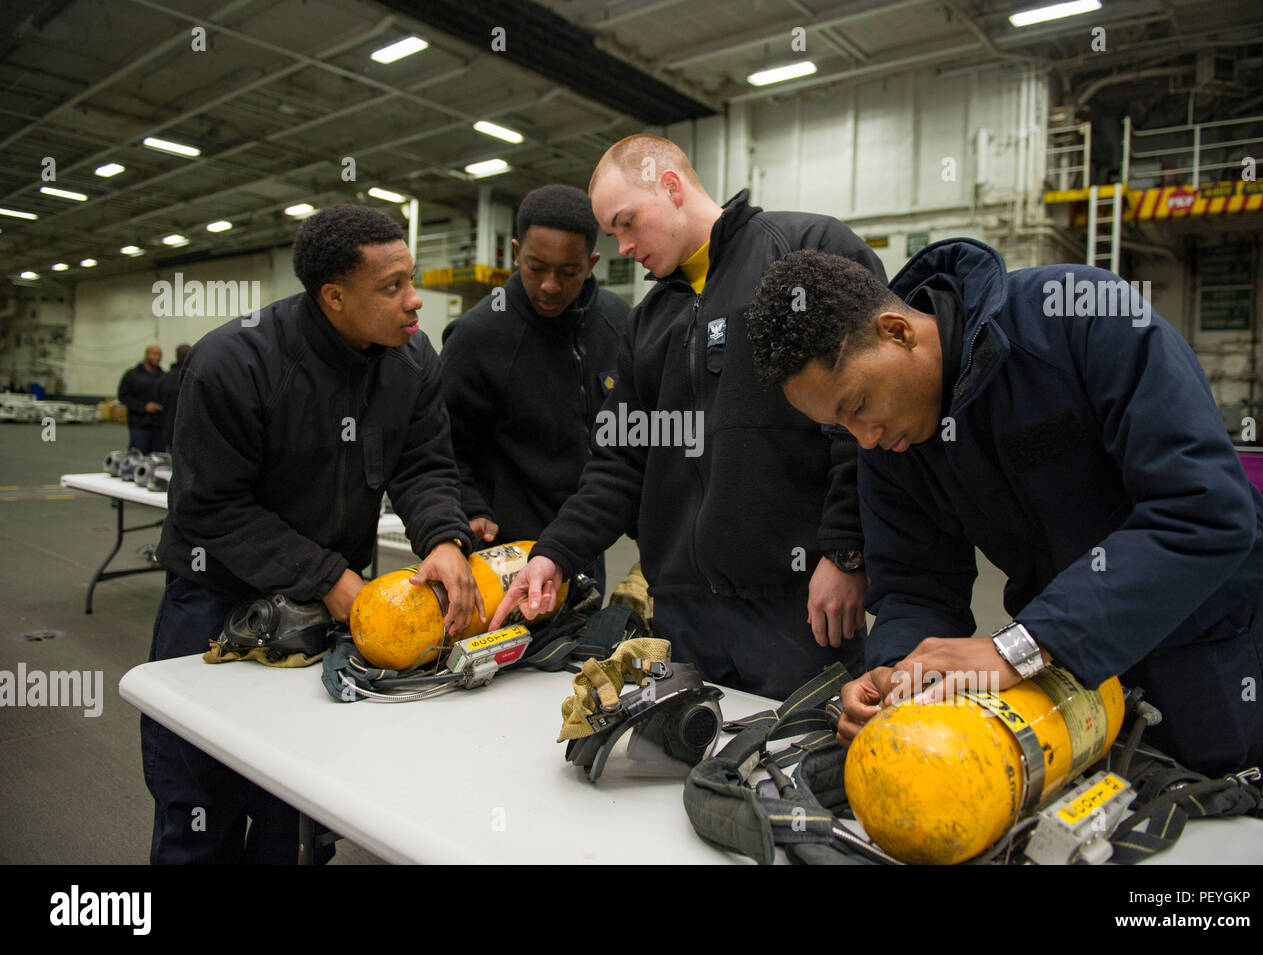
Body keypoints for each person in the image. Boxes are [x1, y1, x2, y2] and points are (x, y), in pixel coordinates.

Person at [745, 242, 1263, 777]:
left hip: (1198, 624)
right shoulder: (890, 442)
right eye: (843, 427)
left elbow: (1204, 510)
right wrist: (899, 675)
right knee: (1091, 802)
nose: (864, 439)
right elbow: (915, 584)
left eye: (859, 405)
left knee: (1206, 798)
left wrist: (1022, 646)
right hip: (1056, 639)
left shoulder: (1079, 314)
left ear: (897, 331)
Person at [143, 204, 481, 864]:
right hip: (220, 608)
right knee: (199, 812)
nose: (415, 303)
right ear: (333, 296)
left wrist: (442, 536)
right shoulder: (232, 364)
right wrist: (327, 576)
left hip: (330, 616)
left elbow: (422, 464)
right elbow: (209, 509)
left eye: (411, 278)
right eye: (392, 287)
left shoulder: (411, 357)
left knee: (298, 817)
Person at [490, 135, 886, 700]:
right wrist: (554, 553)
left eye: (627, 222)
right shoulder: (649, 321)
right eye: (613, 233)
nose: (623, 246)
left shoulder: (804, 251)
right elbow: (620, 462)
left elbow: (866, 410)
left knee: (799, 771)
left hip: (797, 607)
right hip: (681, 614)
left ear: (671, 188)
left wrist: (846, 552)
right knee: (682, 774)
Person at [440, 184, 629, 597]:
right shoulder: (478, 337)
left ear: (592, 262)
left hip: (584, 543)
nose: (549, 285)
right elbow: (442, 446)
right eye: (535, 267)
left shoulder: (620, 324)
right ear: (515, 252)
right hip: (505, 552)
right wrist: (470, 508)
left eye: (568, 272)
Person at [117, 343, 164, 452]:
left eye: (160, 354)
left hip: (158, 425)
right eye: (154, 354)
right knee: (137, 456)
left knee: (157, 458)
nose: (158, 357)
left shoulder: (163, 376)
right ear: (146, 355)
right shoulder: (132, 375)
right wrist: (144, 407)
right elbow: (123, 396)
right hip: (139, 424)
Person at [156, 342, 190, 452]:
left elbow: (158, 401)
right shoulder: (194, 377)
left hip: (168, 429)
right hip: (190, 430)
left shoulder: (164, 378)